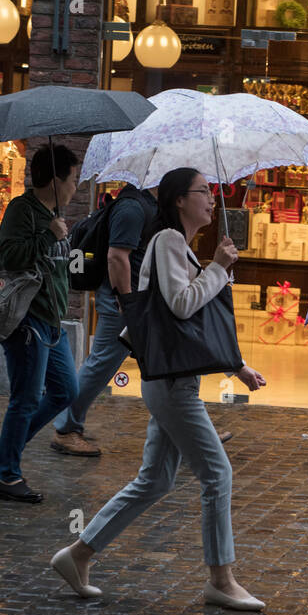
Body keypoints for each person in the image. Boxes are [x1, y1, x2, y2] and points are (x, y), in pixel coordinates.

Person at [51, 167, 268, 609]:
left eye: (211, 191)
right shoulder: (168, 241)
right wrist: (218, 269)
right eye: (203, 191)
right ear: (178, 201)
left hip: (172, 380)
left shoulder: (182, 247)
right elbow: (183, 304)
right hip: (171, 386)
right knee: (217, 473)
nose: (212, 198)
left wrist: (238, 365)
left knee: (154, 481)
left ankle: (78, 554)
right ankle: (221, 580)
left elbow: (197, 321)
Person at [48, 182, 232, 455]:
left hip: (141, 300)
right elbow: (116, 257)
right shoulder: (132, 207)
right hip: (124, 302)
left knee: (172, 362)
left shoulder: (149, 206)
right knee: (103, 363)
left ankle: (192, 426)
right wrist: (127, 301)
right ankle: (66, 427)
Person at [0, 143, 80, 504]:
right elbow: (8, 257)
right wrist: (48, 236)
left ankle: (7, 448)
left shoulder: (55, 215)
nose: (76, 186)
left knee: (66, 391)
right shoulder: (23, 211)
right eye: (72, 179)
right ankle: (8, 477)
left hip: (53, 321)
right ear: (55, 180)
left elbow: (59, 268)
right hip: (27, 321)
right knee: (25, 398)